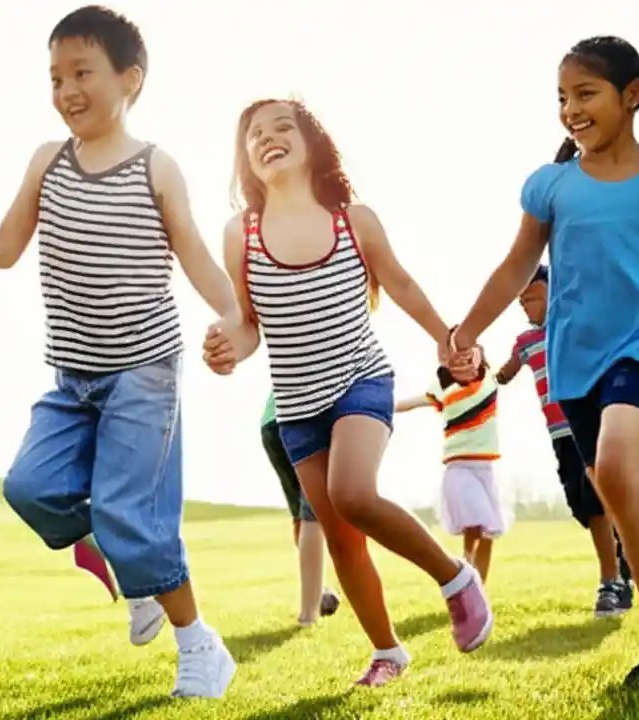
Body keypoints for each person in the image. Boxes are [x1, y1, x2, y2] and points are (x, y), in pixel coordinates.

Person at [0, 5, 243, 699]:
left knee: (131, 513)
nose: (67, 89)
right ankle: (127, 562)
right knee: (30, 489)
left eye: (82, 72)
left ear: (130, 79)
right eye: (55, 77)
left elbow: (195, 256)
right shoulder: (48, 161)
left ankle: (201, 645)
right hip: (72, 375)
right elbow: (4, 248)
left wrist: (232, 317)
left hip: (143, 370)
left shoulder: (156, 168)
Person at [447, 36, 639, 682]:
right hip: (574, 365)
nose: (571, 109)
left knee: (614, 468)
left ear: (631, 94)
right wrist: (466, 329)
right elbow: (516, 266)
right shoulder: (551, 185)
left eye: (585, 94)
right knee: (616, 491)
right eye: (562, 98)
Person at [203, 98, 493, 689]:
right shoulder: (242, 234)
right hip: (296, 409)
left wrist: (447, 340)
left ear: (312, 144)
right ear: (245, 160)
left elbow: (401, 282)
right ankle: (388, 651)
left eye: (283, 127)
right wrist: (228, 345)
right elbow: (248, 321)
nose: (268, 138)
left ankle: (456, 578)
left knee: (352, 493)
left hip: (361, 379)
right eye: (255, 134)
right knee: (340, 535)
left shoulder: (352, 220)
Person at [495, 264, 633, 618]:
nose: (525, 303)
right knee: (584, 508)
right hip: (559, 436)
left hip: (589, 426)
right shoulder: (525, 342)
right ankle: (624, 560)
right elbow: (504, 374)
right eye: (520, 300)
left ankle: (611, 581)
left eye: (532, 295)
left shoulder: (572, 328)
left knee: (597, 503)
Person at [395, 365, 508, 583]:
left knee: (488, 532)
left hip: (486, 468)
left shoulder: (489, 383)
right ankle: (466, 560)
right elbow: (413, 403)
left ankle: (478, 588)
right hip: (459, 466)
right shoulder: (443, 387)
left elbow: (511, 369)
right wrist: (378, 404)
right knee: (475, 518)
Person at [261, 393, 341, 626]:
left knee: (301, 514)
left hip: (271, 423)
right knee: (312, 513)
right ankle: (309, 614)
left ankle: (320, 591)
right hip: (304, 416)